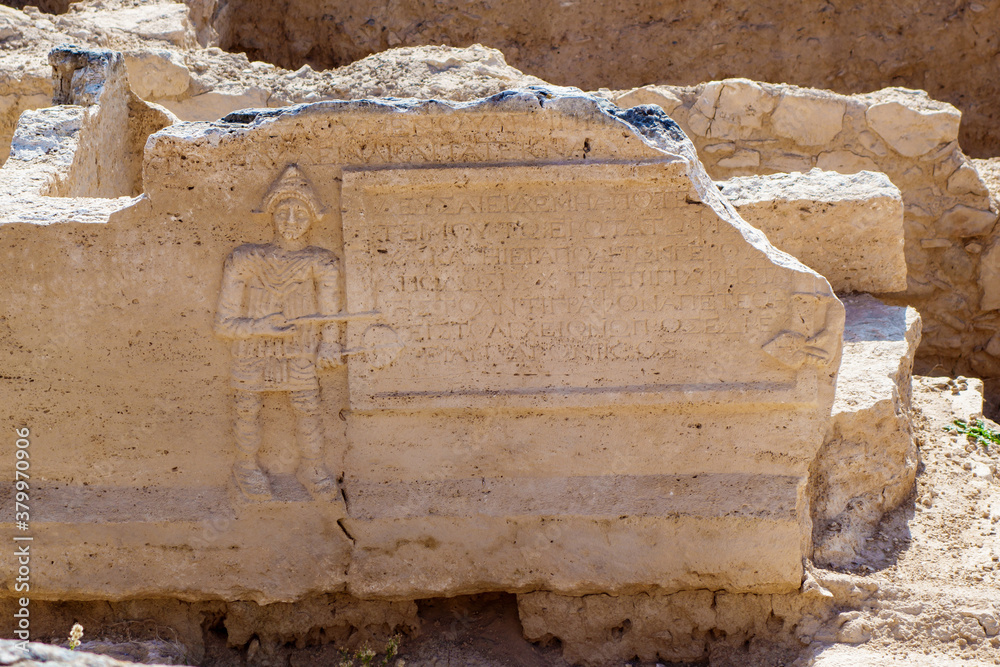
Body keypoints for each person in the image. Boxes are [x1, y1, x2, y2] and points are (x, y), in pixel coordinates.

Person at [214, 165, 343, 502]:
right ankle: (246, 466)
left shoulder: (322, 262)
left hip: (299, 349)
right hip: (251, 350)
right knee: (246, 408)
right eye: (283, 211)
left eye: (300, 212)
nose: (290, 220)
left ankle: (313, 466)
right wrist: (259, 328)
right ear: (270, 214)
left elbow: (330, 313)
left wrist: (329, 345)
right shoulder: (245, 259)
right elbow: (223, 324)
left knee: (307, 408)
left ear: (313, 217)